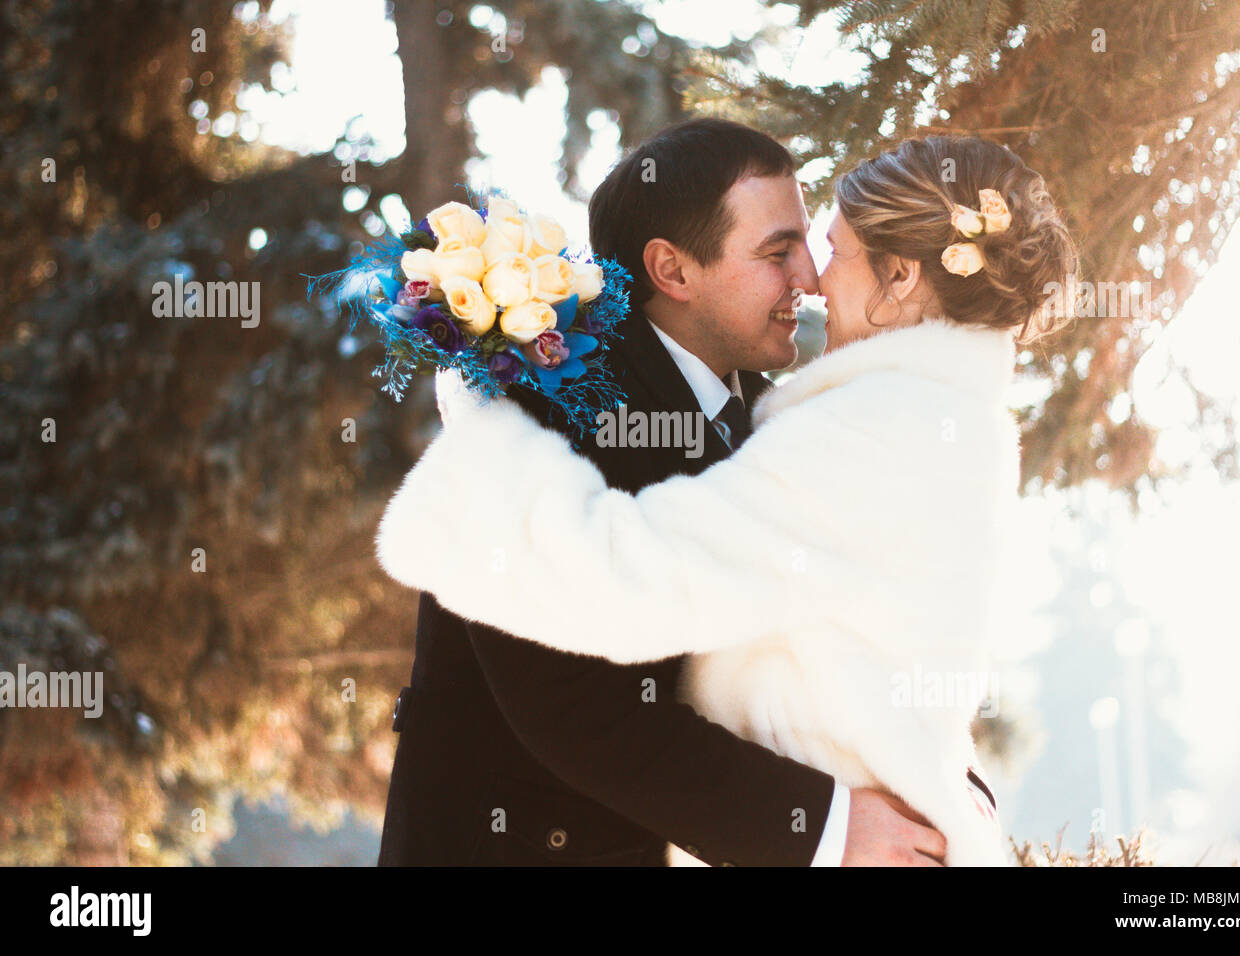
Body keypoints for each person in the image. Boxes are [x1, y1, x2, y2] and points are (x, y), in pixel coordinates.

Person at [377, 131, 1077, 865]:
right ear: (673, 270)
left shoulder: (825, 428)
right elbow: (570, 707)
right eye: (780, 252)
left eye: (819, 247)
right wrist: (860, 819)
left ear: (903, 279)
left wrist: (928, 793)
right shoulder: (548, 403)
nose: (808, 277)